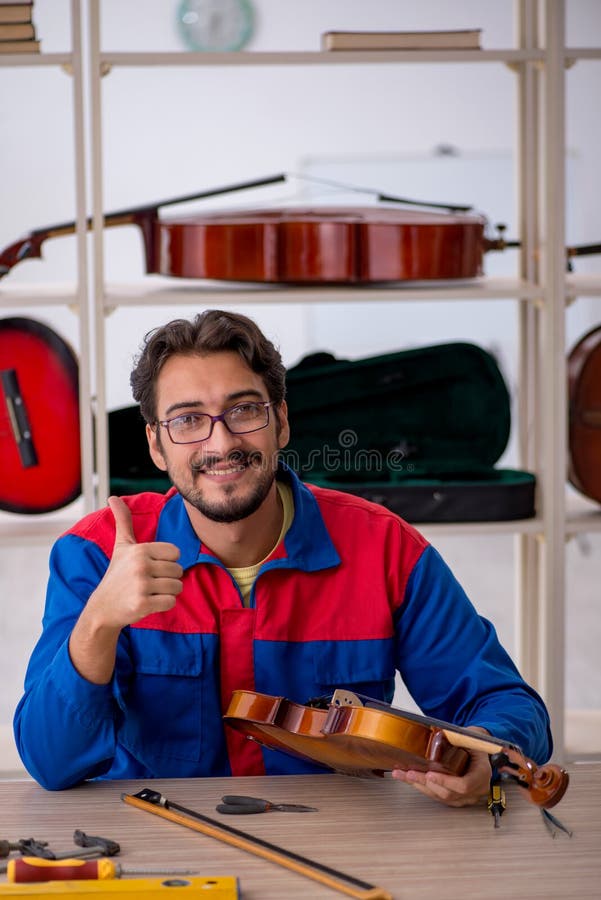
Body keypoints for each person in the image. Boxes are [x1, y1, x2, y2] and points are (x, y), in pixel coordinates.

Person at [14, 309, 553, 803]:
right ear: (156, 445)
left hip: (347, 847)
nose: (220, 444)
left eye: (243, 410)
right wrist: (99, 624)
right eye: (187, 420)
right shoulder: (95, 553)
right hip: (156, 846)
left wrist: (485, 754)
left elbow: (509, 704)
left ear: (282, 422)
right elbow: (49, 762)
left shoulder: (386, 549)